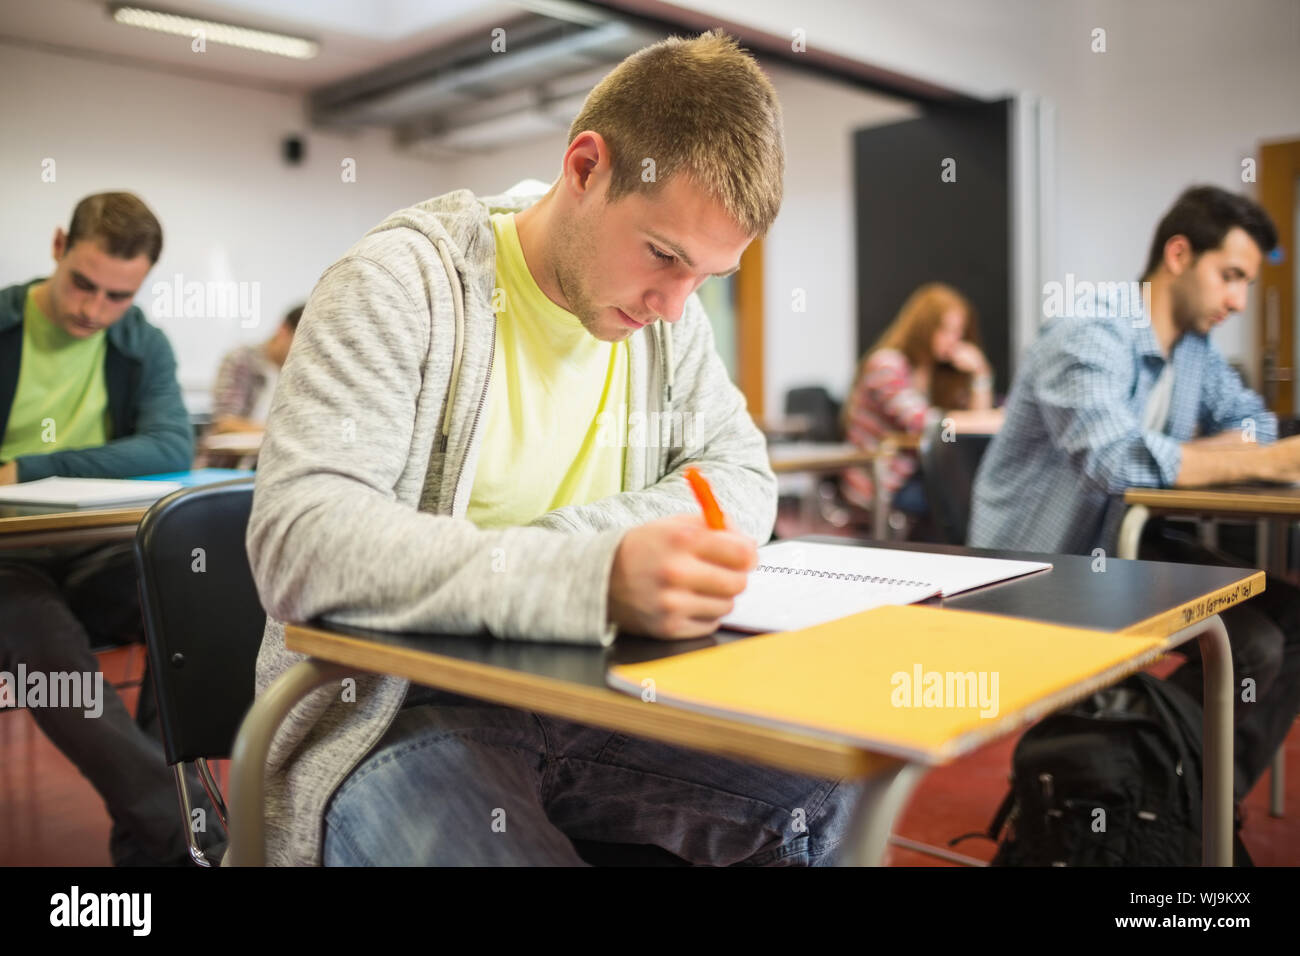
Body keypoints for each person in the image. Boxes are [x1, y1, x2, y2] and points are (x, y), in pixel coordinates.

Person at [247, 30, 863, 866]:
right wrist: (593, 576)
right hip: (400, 713)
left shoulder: (660, 324)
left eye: (705, 279)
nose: (676, 308)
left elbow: (742, 479)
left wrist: (596, 565)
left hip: (599, 702)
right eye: (664, 255)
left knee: (836, 787)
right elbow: (300, 541)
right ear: (585, 168)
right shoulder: (401, 284)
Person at [969, 185, 1300, 801]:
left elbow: (1252, 421)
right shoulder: (1089, 330)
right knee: (1251, 643)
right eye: (1230, 276)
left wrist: (1224, 451)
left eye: (1247, 284)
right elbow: (1115, 462)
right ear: (1178, 254)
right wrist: (1247, 455)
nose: (1238, 300)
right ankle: (1139, 796)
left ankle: (1180, 809)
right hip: (1043, 567)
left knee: (1293, 619)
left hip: (1124, 545)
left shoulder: (1196, 350)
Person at [0, 191, 209, 864]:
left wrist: (23, 467)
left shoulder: (142, 341)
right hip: (7, 559)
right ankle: (174, 826)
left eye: (118, 295)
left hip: (97, 549)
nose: (94, 310)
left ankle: (157, 834)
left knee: (183, 590)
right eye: (83, 285)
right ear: (58, 246)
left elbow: (168, 449)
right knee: (34, 624)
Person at [841, 282, 1002, 518]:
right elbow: (924, 422)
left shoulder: (939, 373)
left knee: (977, 494)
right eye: (945, 330)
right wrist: (983, 421)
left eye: (959, 332)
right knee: (969, 502)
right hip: (886, 480)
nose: (954, 340)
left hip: (922, 473)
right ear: (924, 328)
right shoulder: (887, 364)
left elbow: (976, 419)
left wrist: (981, 373)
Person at [207, 304, 302, 436]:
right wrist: (283, 434)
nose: (303, 351)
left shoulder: (299, 371)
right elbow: (225, 423)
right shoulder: (242, 360)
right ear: (283, 330)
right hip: (238, 455)